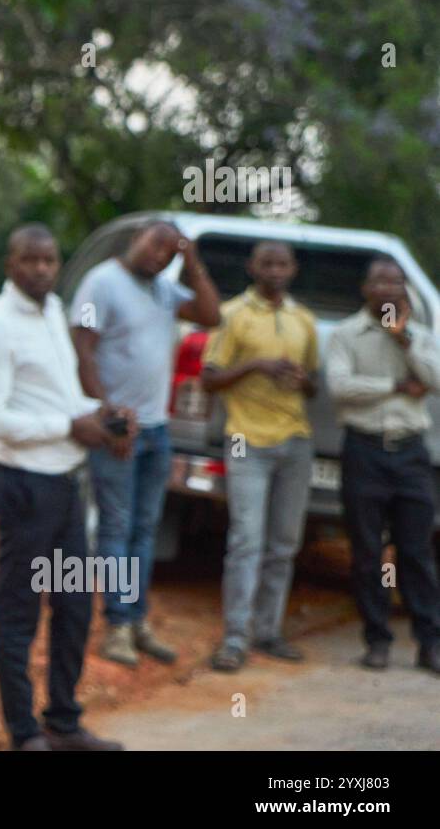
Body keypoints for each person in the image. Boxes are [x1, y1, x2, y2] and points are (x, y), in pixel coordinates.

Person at [0, 224, 126, 751]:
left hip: (64, 484)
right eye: (29, 260)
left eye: (49, 260)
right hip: (22, 485)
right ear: (10, 263)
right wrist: (68, 427)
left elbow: (60, 398)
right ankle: (23, 732)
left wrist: (104, 419)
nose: (40, 269)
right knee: (19, 610)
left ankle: (62, 720)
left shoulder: (54, 311)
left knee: (76, 605)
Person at [70, 221, 221, 665]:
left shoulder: (164, 291)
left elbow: (212, 316)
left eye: (170, 253)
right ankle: (116, 626)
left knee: (144, 528)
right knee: (116, 526)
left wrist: (192, 263)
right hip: (120, 428)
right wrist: (108, 415)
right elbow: (82, 347)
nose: (160, 256)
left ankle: (136, 619)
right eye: (156, 244)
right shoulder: (103, 281)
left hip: (157, 430)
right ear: (135, 238)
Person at [200, 242, 318, 671]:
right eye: (266, 263)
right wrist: (255, 366)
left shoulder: (303, 320)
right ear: (252, 267)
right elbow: (209, 378)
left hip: (295, 441)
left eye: (282, 264)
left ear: (293, 269)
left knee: (284, 544)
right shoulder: (232, 315)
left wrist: (303, 381)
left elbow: (314, 387)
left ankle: (268, 632)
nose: (274, 270)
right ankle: (235, 639)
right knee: (246, 540)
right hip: (244, 439)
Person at [325, 257, 440, 675]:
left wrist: (404, 339)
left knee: (416, 551)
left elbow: (437, 380)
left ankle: (430, 643)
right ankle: (377, 640)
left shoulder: (423, 336)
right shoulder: (344, 334)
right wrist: (395, 387)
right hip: (364, 452)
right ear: (365, 288)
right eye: (380, 281)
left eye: (396, 282)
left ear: (404, 290)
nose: (388, 289)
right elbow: (340, 388)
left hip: (411, 454)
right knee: (366, 553)